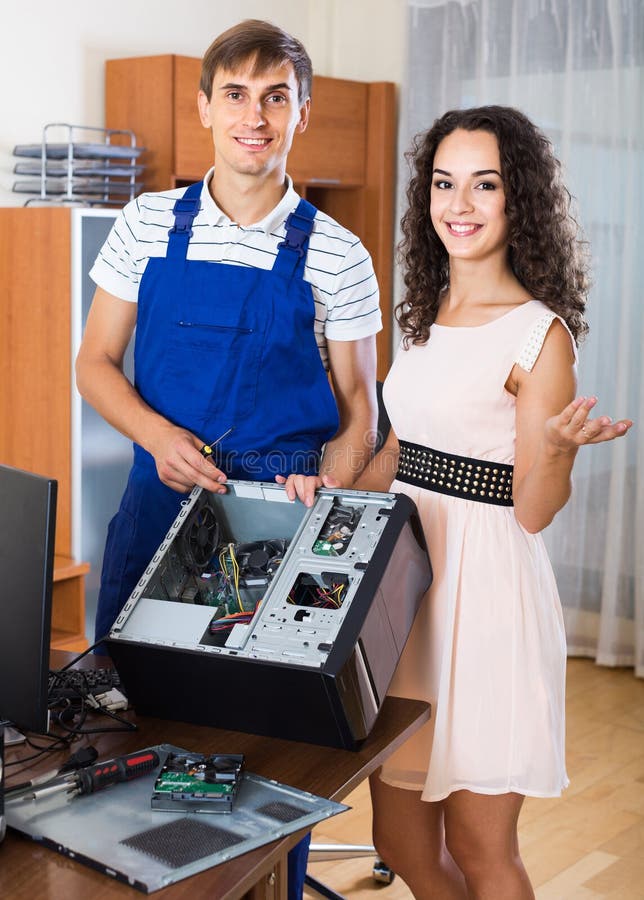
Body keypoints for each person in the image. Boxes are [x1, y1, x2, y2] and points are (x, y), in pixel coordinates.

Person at [75, 19, 380, 899]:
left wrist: (326, 482)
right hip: (154, 511)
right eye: (237, 94)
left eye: (276, 96)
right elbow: (94, 365)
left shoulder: (336, 252)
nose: (256, 115)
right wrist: (157, 437)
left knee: (263, 748)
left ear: (302, 113)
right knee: (134, 726)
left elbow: (362, 409)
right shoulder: (143, 225)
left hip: (279, 530)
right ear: (205, 107)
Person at [355, 106, 632, 899]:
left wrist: (556, 448)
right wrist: (330, 510)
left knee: (482, 848)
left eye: (485, 184)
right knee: (399, 839)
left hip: (487, 606)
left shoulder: (539, 337)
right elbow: (404, 449)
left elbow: (536, 510)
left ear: (520, 201)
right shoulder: (426, 314)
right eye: (445, 183)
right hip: (407, 597)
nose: (460, 204)